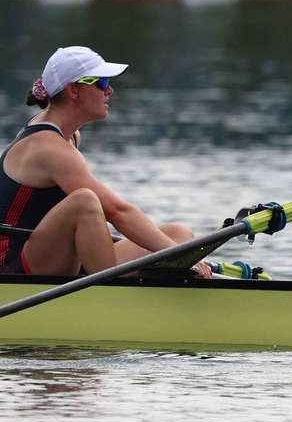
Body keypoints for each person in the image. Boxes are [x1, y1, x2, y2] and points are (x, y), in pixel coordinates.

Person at [0, 46, 210, 278]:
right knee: (85, 202)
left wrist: (177, 251)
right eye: (101, 82)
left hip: (58, 255)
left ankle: (159, 283)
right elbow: (117, 211)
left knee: (178, 234)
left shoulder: (69, 135)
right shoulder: (48, 148)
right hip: (13, 267)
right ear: (73, 90)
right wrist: (175, 254)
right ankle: (111, 295)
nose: (109, 90)